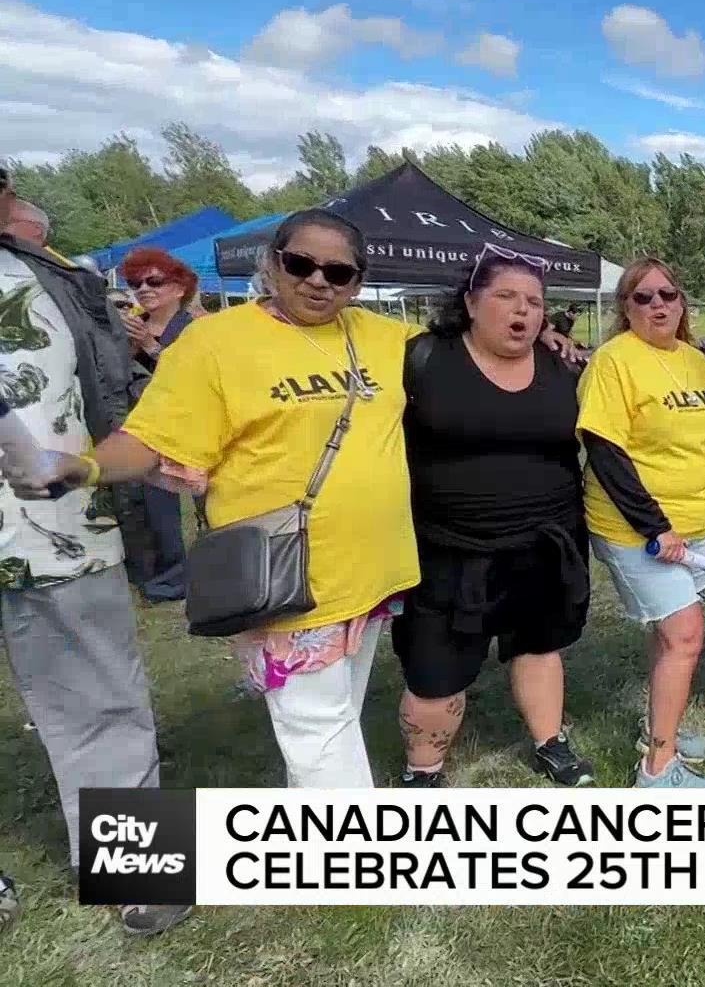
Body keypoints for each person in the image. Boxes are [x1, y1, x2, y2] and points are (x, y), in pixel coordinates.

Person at [28, 209, 420, 796]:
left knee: (331, 713)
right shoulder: (215, 343)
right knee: (318, 726)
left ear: (357, 283)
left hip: (371, 569)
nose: (318, 281)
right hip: (284, 573)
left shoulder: (381, 336)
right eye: (302, 264)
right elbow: (152, 438)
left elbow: (465, 350)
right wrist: (86, 466)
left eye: (338, 273)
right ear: (273, 263)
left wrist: (544, 339)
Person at [0, 164, 186, 936]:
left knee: (102, 697)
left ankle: (134, 866)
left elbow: (108, 390)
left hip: (60, 524)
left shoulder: (54, 275)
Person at [391, 245, 594, 789]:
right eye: (506, 296)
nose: (522, 309)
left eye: (534, 301)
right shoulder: (422, 359)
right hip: (448, 549)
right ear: (470, 303)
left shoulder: (562, 365)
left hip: (546, 544)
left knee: (538, 645)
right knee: (436, 669)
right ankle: (423, 771)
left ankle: (550, 742)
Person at [578, 256, 705, 789]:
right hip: (638, 530)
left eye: (668, 294)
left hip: (695, 523)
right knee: (685, 635)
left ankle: (658, 728)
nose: (658, 305)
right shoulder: (614, 360)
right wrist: (654, 526)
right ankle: (658, 771)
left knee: (667, 635)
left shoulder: (695, 359)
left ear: (681, 301)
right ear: (626, 307)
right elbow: (604, 450)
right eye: (643, 297)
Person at [117, 246, 201, 602]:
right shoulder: (131, 325)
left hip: (196, 425)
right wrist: (127, 347)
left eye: (154, 281)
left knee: (208, 500)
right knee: (156, 505)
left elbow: (196, 377)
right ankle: (169, 576)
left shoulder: (197, 326)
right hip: (149, 427)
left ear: (179, 287)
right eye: (136, 283)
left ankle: (223, 565)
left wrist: (150, 345)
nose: (143, 289)